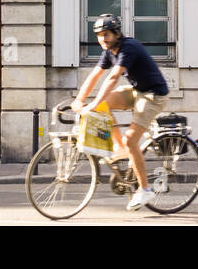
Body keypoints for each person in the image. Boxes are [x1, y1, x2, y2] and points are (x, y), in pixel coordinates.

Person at [71, 14, 170, 210]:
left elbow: (113, 77)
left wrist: (92, 104)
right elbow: (95, 75)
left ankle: (145, 190)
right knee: (102, 105)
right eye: (99, 35)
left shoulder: (128, 47)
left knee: (130, 139)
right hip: (138, 91)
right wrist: (80, 100)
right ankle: (120, 150)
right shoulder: (109, 51)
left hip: (154, 95)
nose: (102, 39)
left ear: (117, 33)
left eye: (106, 34)